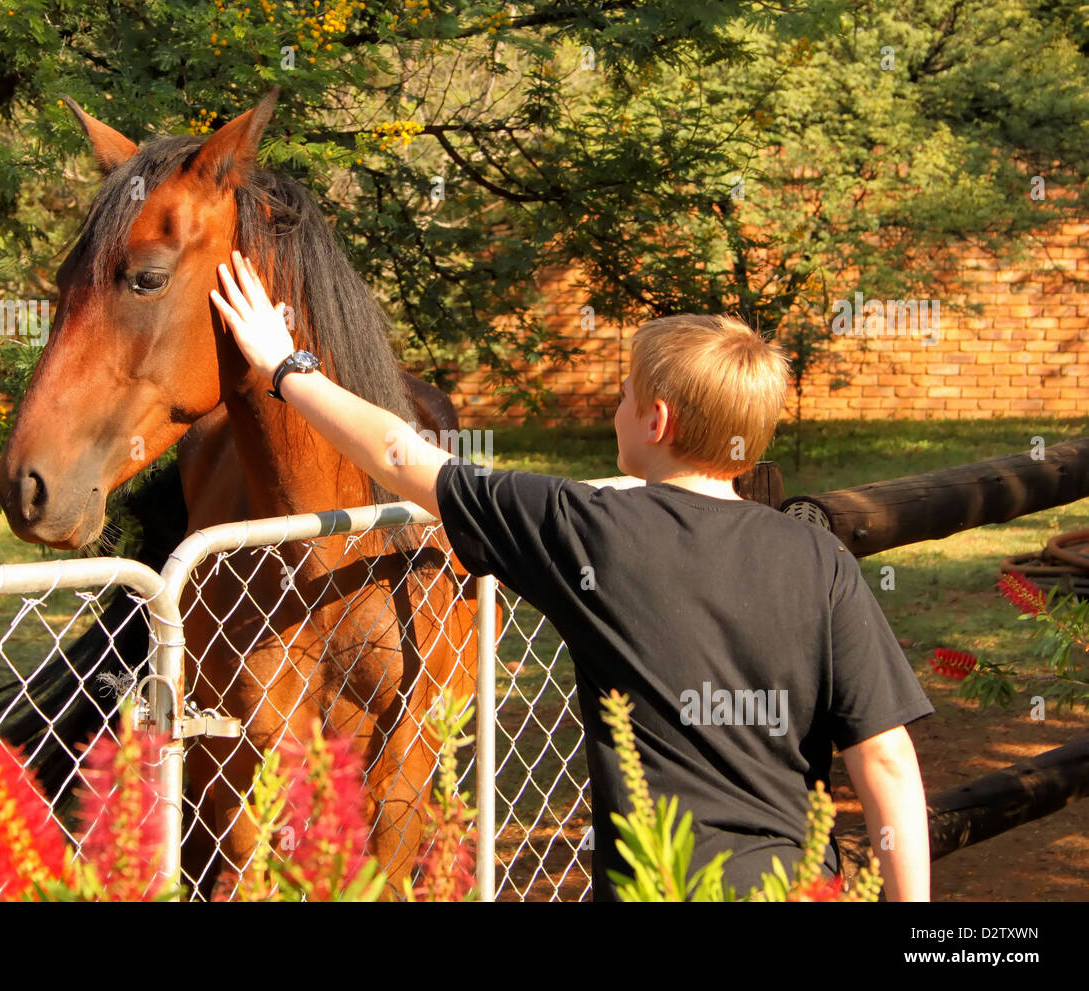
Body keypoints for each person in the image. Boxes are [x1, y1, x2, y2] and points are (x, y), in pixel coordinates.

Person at [211, 250, 934, 901]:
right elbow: (888, 762)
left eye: (622, 395)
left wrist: (285, 366)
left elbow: (404, 460)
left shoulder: (590, 530)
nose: (614, 408)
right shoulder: (820, 560)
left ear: (656, 419)